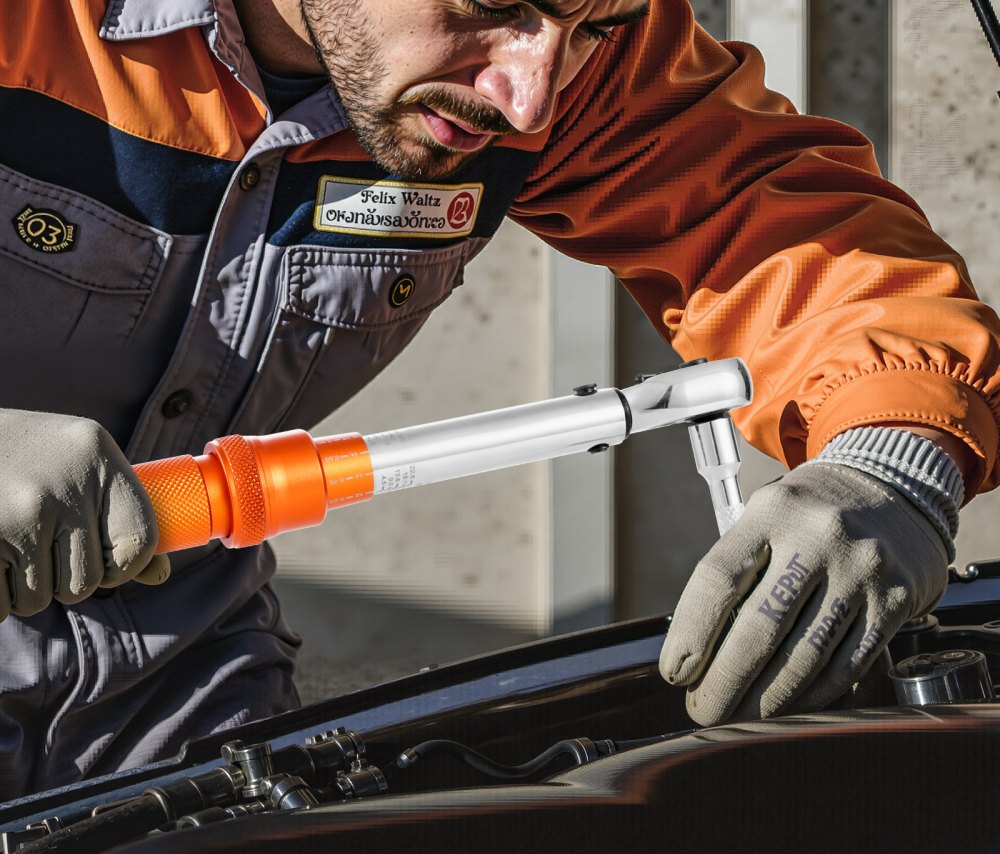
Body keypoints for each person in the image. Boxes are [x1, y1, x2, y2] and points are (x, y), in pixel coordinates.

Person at [0, 0, 995, 799]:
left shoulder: (563, 53)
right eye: (489, 6)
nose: (527, 99)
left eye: (590, 29)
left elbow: (783, 236)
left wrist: (890, 460)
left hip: (181, 686)